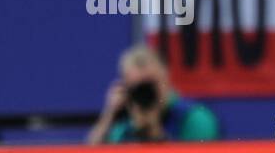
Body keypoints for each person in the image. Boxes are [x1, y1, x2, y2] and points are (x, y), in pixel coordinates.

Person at [87, 44, 220, 143]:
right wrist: (110, 113)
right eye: (138, 87)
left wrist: (154, 132)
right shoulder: (124, 130)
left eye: (149, 85)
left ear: (166, 79)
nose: (145, 93)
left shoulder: (195, 119)